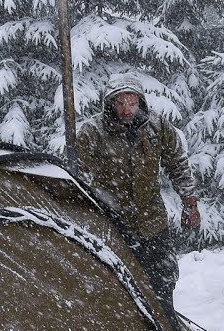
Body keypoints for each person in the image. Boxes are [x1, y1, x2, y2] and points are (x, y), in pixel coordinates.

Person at [69, 73, 202, 314]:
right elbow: (79, 179)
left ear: (140, 102)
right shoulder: (92, 132)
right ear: (110, 103)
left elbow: (177, 162)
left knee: (163, 279)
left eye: (132, 103)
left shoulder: (157, 126)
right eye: (121, 103)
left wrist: (189, 202)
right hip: (112, 224)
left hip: (152, 221)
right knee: (117, 285)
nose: (126, 109)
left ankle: (165, 322)